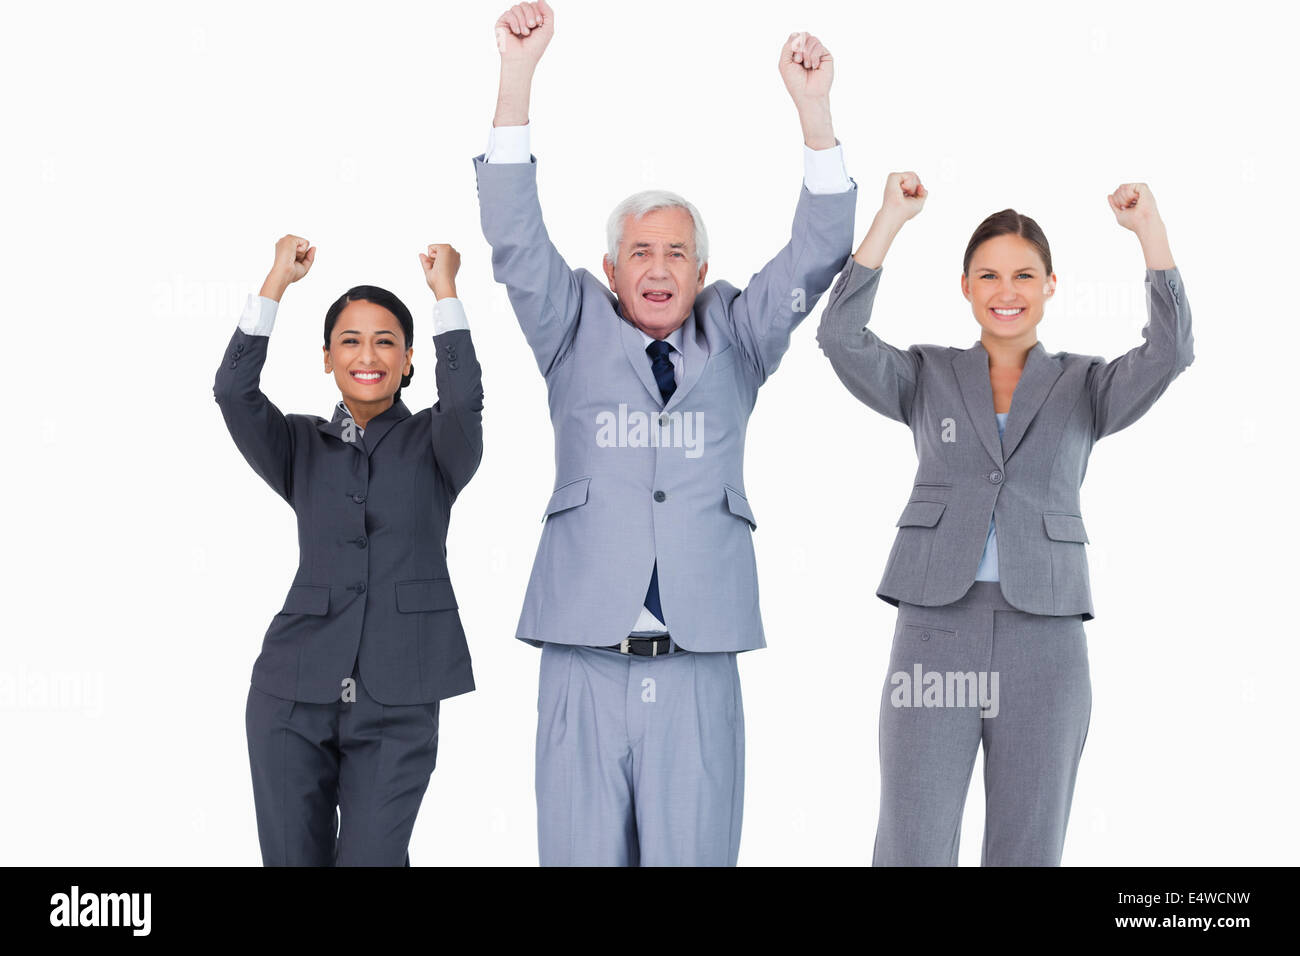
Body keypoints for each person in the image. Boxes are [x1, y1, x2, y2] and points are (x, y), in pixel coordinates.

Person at [475, 1, 856, 865]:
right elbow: (512, 237)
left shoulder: (740, 336)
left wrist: (814, 113)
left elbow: (816, 253)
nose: (657, 268)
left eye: (676, 253)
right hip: (582, 658)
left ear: (702, 270)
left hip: (698, 663)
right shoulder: (569, 325)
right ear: (611, 270)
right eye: (640, 253)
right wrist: (516, 78)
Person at [817, 176, 1193, 865]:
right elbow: (840, 338)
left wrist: (1150, 235)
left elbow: (1169, 355)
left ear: (1052, 285)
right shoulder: (927, 374)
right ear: (965, 287)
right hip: (935, 630)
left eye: (1024, 274)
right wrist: (890, 219)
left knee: (1029, 845)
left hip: (1044, 640)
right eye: (988, 274)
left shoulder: (1085, 384)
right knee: (913, 840)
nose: (1006, 289)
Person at [213, 234, 484, 865]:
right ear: (327, 358)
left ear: (409, 359)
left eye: (386, 341)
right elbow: (233, 392)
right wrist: (275, 282)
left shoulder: (440, 444)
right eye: (351, 341)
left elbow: (466, 394)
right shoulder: (298, 444)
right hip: (292, 690)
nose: (368, 354)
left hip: (399, 694)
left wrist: (445, 292)